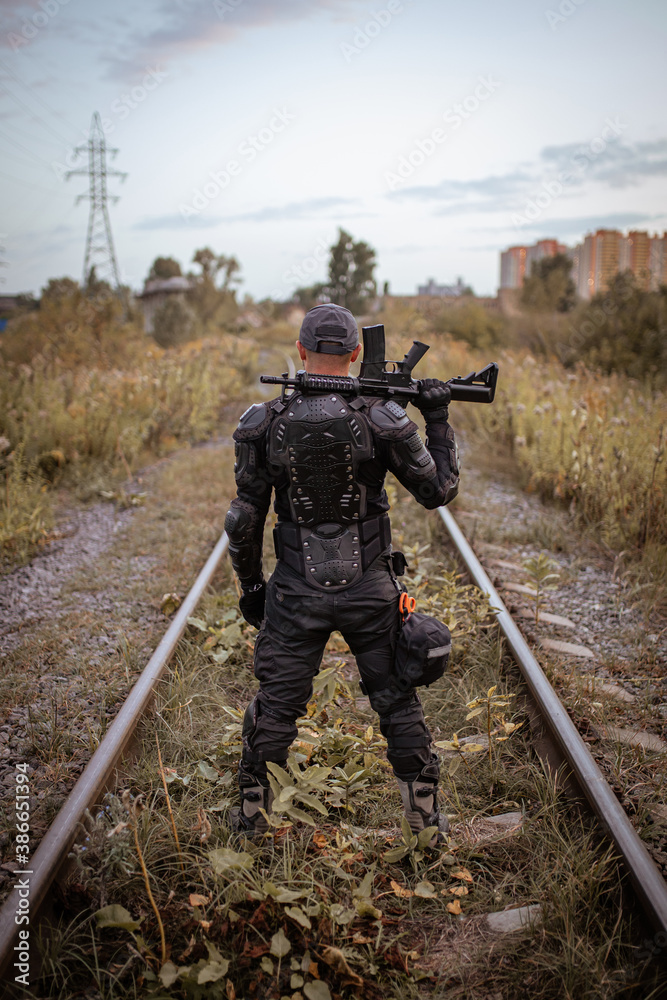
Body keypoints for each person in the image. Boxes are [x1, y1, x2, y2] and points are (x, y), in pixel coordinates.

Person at [224, 303, 459, 841]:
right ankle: (424, 822)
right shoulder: (383, 417)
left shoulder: (263, 423)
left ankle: (250, 822)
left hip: (294, 593)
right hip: (371, 590)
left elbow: (243, 521)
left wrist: (253, 590)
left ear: (302, 351)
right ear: (356, 354)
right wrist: (439, 419)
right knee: (396, 701)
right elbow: (438, 491)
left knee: (277, 705)